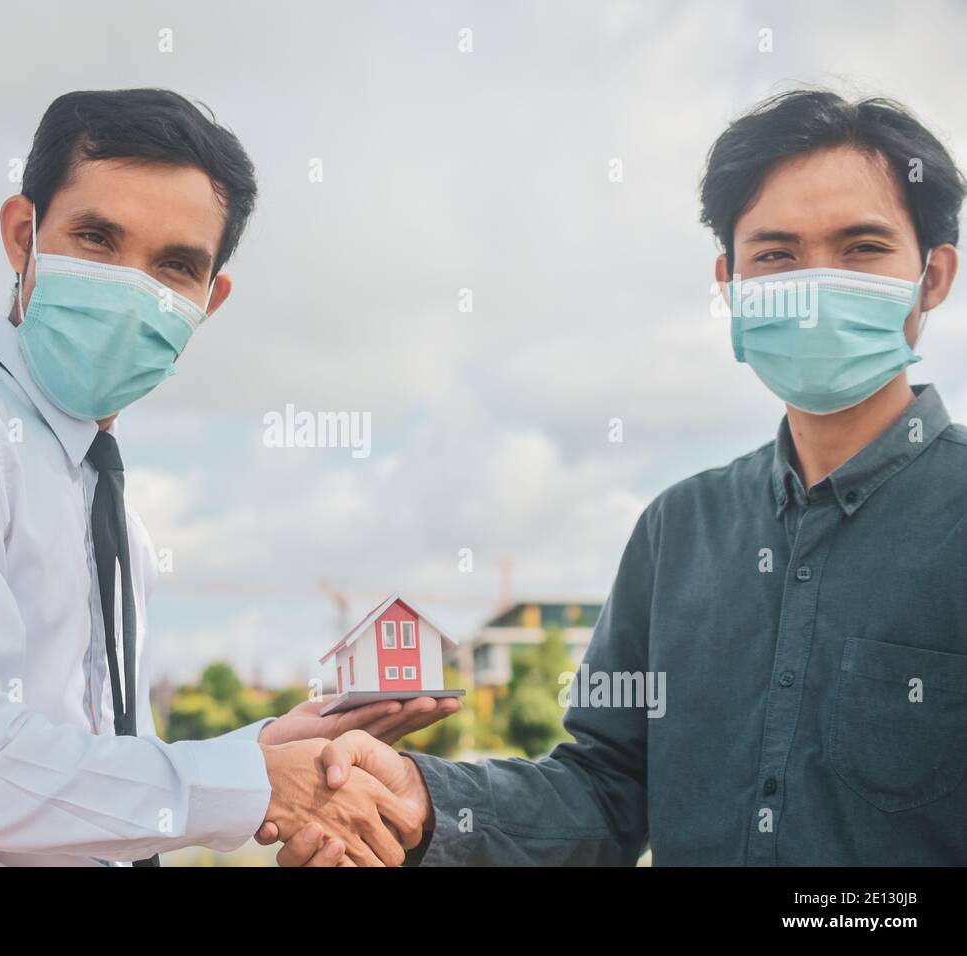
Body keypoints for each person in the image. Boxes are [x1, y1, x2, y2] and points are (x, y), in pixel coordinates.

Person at [268, 89, 967, 866]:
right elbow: (605, 790)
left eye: (862, 248)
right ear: (730, 283)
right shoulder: (680, 530)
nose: (815, 283)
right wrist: (423, 802)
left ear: (933, 275)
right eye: (776, 255)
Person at [0, 89, 456, 867]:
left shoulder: (112, 513)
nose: (128, 287)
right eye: (97, 239)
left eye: (175, 265)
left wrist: (276, 749)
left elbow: (93, 768)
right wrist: (254, 785)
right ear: (23, 237)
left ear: (208, 300)